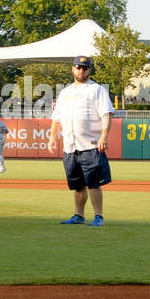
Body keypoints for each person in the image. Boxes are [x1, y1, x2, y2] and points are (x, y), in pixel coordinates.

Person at [46, 55, 113, 227]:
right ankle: (79, 215)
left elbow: (106, 114)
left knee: (93, 183)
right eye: (78, 67)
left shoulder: (97, 90)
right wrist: (53, 136)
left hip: (91, 144)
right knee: (77, 185)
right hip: (70, 146)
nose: (81, 70)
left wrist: (104, 136)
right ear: (73, 68)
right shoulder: (65, 92)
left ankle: (99, 217)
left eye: (85, 68)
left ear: (90, 70)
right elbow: (57, 117)